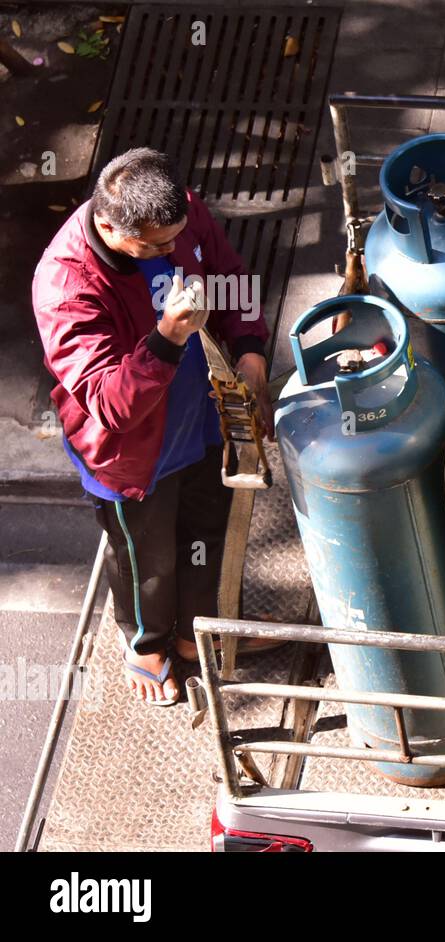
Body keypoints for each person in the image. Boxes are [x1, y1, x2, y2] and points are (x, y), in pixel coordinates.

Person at [32, 147, 277, 706]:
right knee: (147, 559)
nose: (171, 252)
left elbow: (227, 275)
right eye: (157, 246)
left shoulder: (178, 212)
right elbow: (108, 404)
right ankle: (146, 644)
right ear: (108, 225)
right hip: (134, 454)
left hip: (203, 420)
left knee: (203, 532)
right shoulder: (66, 286)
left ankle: (195, 633)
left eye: (176, 238)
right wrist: (166, 339)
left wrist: (249, 347)